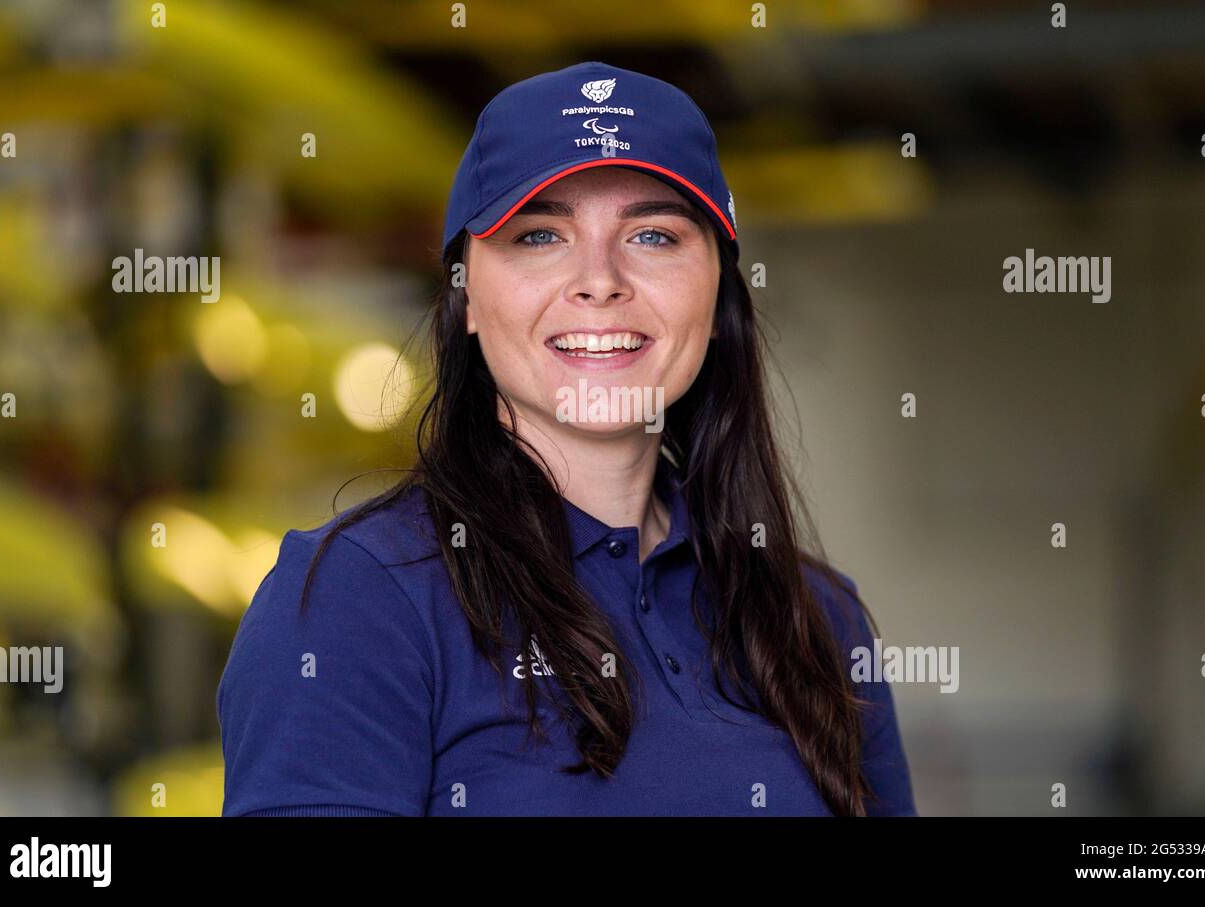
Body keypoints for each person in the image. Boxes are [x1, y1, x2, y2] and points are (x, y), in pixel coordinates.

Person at [217, 60, 917, 816]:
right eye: (540, 234)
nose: (599, 279)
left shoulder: (814, 615)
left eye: (652, 234)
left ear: (717, 299)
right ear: (468, 300)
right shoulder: (356, 602)